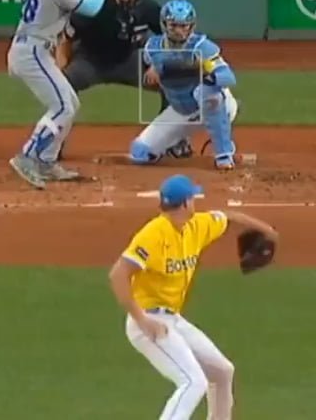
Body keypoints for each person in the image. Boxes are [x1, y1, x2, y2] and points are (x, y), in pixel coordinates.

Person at [109, 174, 279, 420]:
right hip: (148, 322)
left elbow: (230, 217)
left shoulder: (196, 226)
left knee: (222, 371)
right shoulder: (153, 234)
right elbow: (118, 275)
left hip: (172, 320)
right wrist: (143, 321)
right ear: (186, 203)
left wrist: (269, 230)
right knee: (193, 382)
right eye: (192, 198)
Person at [56, 0, 195, 160]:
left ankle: (171, 140)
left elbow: (169, 39)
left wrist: (158, 64)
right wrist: (61, 67)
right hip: (90, 62)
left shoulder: (147, 8)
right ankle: (52, 144)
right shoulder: (92, 9)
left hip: (129, 60)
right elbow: (66, 40)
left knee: (174, 80)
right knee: (62, 87)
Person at [7, 0, 111, 189]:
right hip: (31, 52)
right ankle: (28, 156)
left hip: (33, 49)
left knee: (70, 104)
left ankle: (46, 161)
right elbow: (92, 8)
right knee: (63, 106)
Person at [131, 0, 240, 170]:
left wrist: (206, 71)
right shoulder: (153, 48)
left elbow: (228, 77)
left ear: (191, 26)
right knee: (140, 152)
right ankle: (171, 144)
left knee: (210, 95)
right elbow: (151, 69)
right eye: (173, 25)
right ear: (164, 24)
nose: (179, 31)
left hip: (209, 105)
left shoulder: (202, 46)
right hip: (181, 110)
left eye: (184, 26)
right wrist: (154, 68)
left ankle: (224, 154)